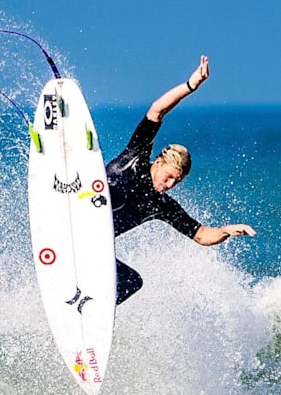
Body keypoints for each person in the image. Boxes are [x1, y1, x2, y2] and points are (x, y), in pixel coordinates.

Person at [106, 55, 256, 304]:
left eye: (176, 182)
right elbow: (157, 110)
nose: (170, 185)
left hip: (93, 246)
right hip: (79, 202)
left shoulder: (160, 205)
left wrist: (226, 231)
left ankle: (87, 311)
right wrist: (190, 86)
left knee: (131, 281)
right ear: (159, 161)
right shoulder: (137, 156)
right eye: (170, 178)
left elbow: (200, 235)